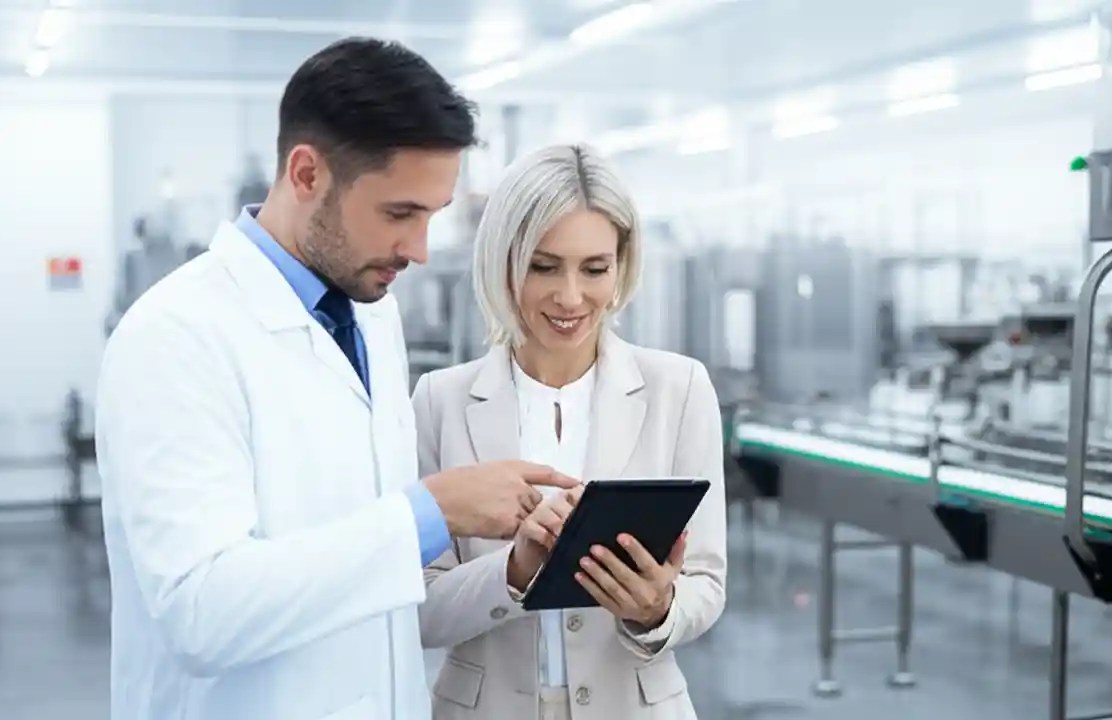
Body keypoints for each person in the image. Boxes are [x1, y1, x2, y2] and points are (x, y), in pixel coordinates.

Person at [94, 39, 577, 720]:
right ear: (306, 174)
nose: (418, 249)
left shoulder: (372, 313)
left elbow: (365, 569)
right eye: (399, 214)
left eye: (432, 215)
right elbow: (201, 612)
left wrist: (507, 561)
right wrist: (431, 514)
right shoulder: (175, 335)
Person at [412, 144, 728, 719]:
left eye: (595, 269)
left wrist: (657, 609)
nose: (570, 296)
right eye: (543, 266)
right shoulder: (440, 401)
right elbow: (418, 608)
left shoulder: (678, 389)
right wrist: (513, 571)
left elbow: (706, 581)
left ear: (621, 266)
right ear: (504, 262)